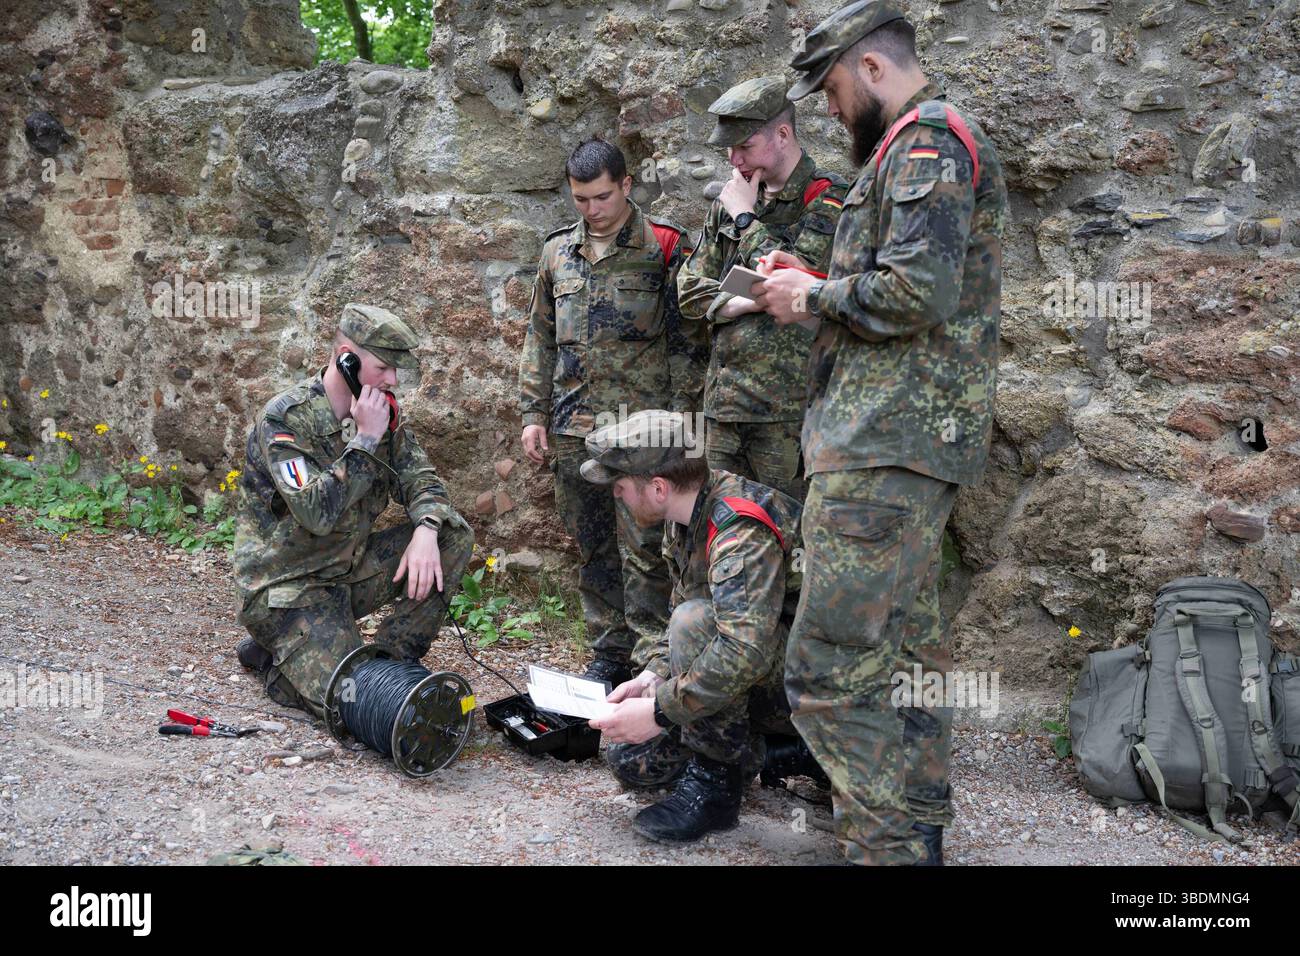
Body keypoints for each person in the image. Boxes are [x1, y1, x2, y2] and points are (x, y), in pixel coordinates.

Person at [756, 1, 1009, 865]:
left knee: (828, 666)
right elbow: (909, 281)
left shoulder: (927, 143)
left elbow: (919, 293)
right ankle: (919, 826)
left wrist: (812, 298)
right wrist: (818, 279)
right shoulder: (922, 142)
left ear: (870, 68)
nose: (828, 111)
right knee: (904, 649)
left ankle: (886, 848)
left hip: (882, 444)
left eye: (830, 90)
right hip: (903, 442)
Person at [518, 139, 706, 688]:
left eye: (601, 196)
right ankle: (608, 650)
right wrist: (533, 413)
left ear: (626, 185)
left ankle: (653, 657)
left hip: (643, 431)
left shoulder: (664, 245)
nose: (592, 210)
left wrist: (684, 424)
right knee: (594, 543)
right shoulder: (557, 252)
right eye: (580, 199)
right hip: (576, 425)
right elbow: (540, 337)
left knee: (648, 547)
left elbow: (689, 341)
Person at [584, 410, 819, 843]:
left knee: (695, 624)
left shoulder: (737, 530)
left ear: (658, 488)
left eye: (620, 487)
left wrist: (660, 711)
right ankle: (786, 756)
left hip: (822, 688)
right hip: (773, 668)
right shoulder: (689, 513)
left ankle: (716, 786)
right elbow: (684, 609)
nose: (617, 496)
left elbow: (741, 649)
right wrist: (652, 675)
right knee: (632, 759)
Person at [232, 303, 475, 716]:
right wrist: (364, 441)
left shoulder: (382, 414)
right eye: (382, 367)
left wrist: (427, 530)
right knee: (351, 702)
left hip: (347, 574)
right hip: (289, 588)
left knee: (453, 534)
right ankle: (284, 659)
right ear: (346, 356)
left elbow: (423, 480)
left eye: (396, 370)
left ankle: (394, 664)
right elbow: (315, 514)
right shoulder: (286, 420)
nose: (392, 380)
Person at [677, 75, 847, 501]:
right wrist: (733, 305)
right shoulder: (731, 202)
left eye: (745, 146)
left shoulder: (827, 197)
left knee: (786, 533)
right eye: (728, 149)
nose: (734, 160)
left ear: (783, 134)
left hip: (788, 412)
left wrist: (746, 221)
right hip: (723, 407)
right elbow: (688, 289)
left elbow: (795, 281)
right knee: (718, 531)